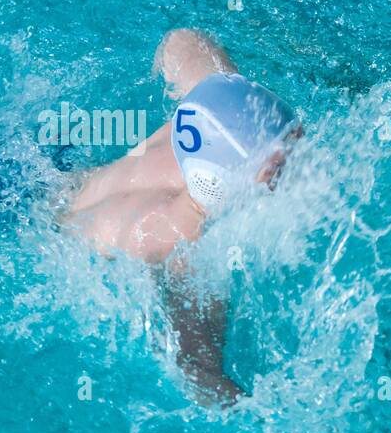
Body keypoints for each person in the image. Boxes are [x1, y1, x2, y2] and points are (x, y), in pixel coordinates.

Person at [62, 29, 301, 403]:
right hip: (22, 225)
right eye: (281, 164)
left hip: (51, 172)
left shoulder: (207, 117)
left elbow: (182, 39)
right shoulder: (181, 247)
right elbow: (194, 369)